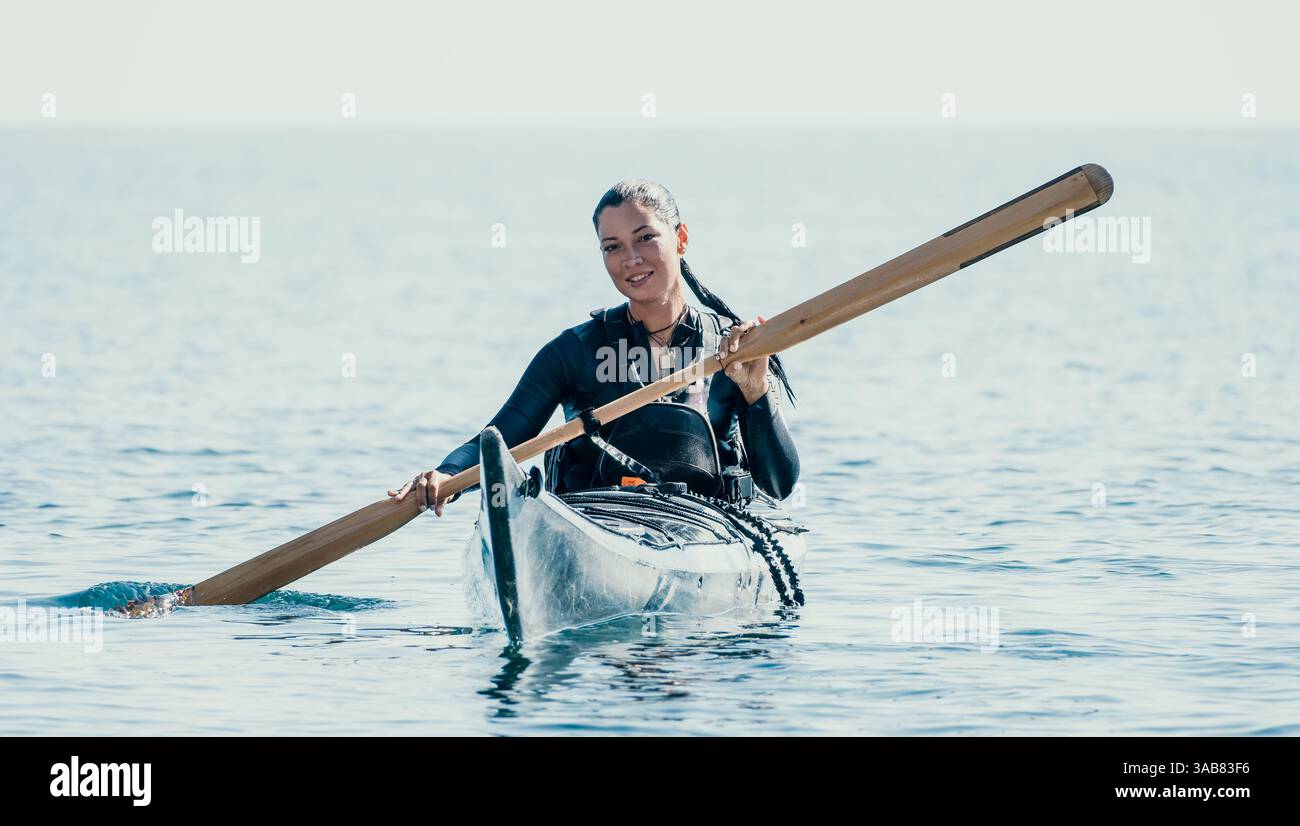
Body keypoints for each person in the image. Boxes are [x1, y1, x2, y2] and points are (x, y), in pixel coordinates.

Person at [388, 180, 799, 515]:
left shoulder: (735, 350)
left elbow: (779, 486)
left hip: (708, 530)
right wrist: (447, 474)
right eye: (612, 247)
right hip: (595, 527)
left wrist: (755, 393)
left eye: (645, 238)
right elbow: (502, 438)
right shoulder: (574, 352)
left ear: (681, 238)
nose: (631, 259)